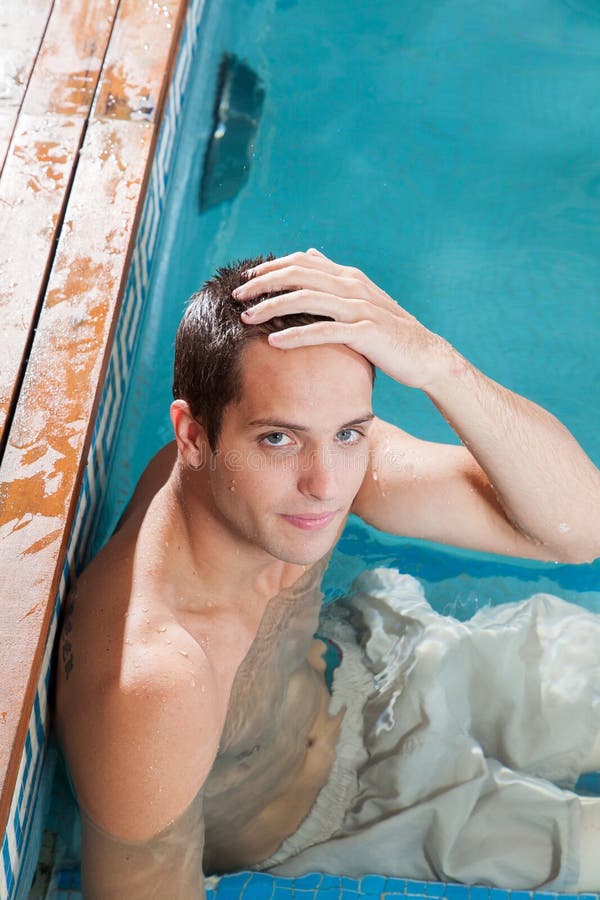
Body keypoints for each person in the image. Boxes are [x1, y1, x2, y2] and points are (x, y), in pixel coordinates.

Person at [55, 250, 600, 899]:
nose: (325, 485)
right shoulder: (159, 684)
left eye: (348, 433)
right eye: (278, 439)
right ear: (192, 435)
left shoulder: (291, 480)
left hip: (380, 664)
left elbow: (576, 531)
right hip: (342, 821)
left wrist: (436, 363)